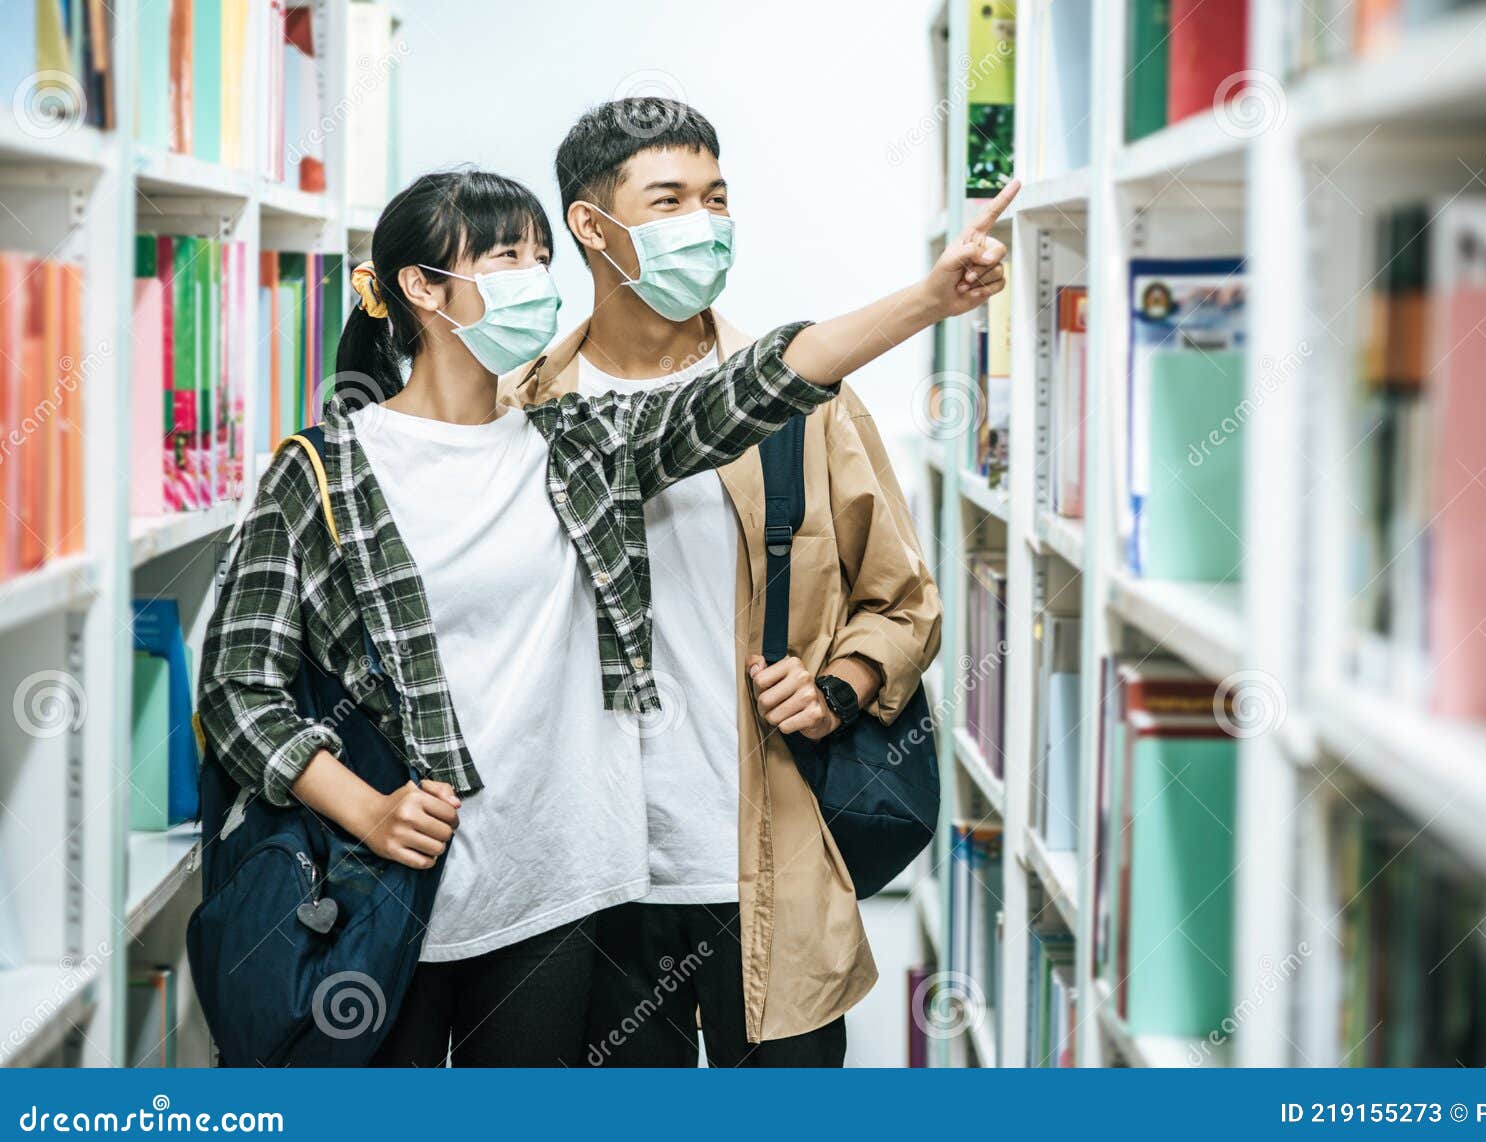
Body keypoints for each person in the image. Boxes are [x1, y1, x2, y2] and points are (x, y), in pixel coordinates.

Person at [199, 165, 1017, 1067]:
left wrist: (929, 299)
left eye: (541, 257)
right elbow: (239, 688)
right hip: (396, 901)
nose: (534, 280)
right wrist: (367, 809)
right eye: (505, 256)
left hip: (563, 901)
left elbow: (759, 387)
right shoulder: (324, 469)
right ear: (422, 289)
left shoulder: (576, 445)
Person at [500, 98, 942, 1067]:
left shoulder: (803, 398)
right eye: (669, 200)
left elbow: (901, 599)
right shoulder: (521, 406)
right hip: (591, 875)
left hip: (767, 864)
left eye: (717, 197)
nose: (704, 222)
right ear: (590, 224)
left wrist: (840, 687)